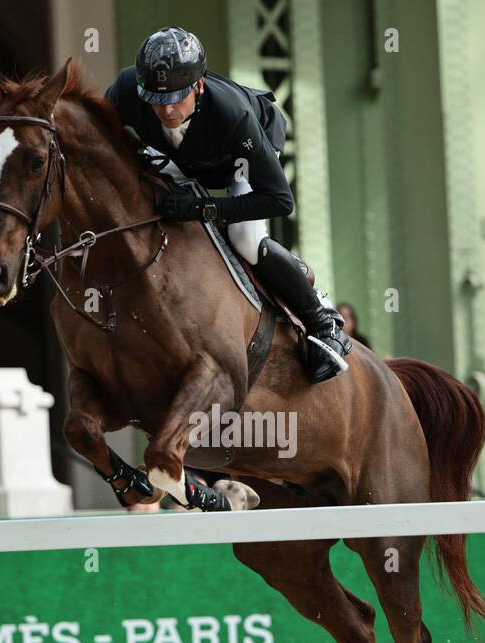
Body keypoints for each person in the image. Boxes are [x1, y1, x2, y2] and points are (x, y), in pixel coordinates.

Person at [107, 27, 351, 383]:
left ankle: (322, 320)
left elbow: (280, 200)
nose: (167, 109)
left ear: (199, 86)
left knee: (243, 239)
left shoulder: (232, 115)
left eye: (176, 98)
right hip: (184, 155)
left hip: (242, 152)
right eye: (157, 100)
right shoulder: (129, 90)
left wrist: (202, 209)